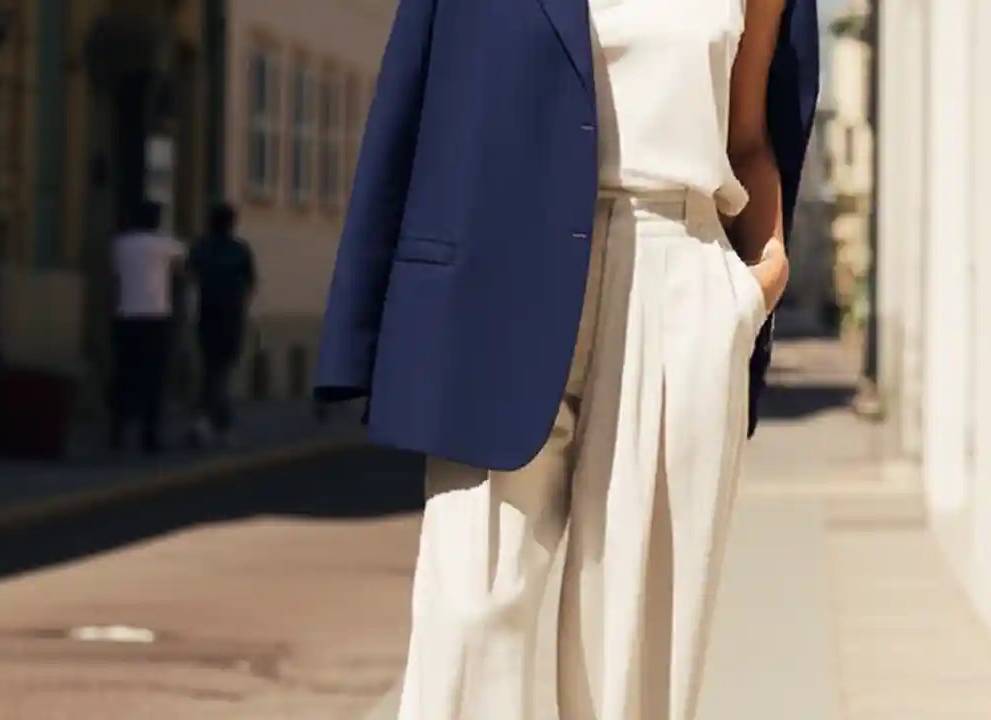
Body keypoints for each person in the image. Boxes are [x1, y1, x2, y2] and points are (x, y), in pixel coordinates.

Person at [314, 0, 818, 715]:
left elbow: (749, 136)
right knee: (467, 621)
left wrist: (758, 280)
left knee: (634, 656)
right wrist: (363, 325)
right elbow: (411, 98)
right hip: (495, 280)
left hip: (676, 279)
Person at [110, 200, 185, 454]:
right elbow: (184, 261)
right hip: (156, 317)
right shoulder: (164, 245)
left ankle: (118, 430)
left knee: (125, 374)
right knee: (154, 378)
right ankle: (149, 435)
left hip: (126, 315)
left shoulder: (120, 244)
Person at [187, 203, 256, 447]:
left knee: (210, 370)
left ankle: (206, 421)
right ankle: (215, 423)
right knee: (221, 372)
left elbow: (191, 275)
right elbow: (250, 283)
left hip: (207, 314)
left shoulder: (200, 248)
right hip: (231, 316)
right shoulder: (240, 250)